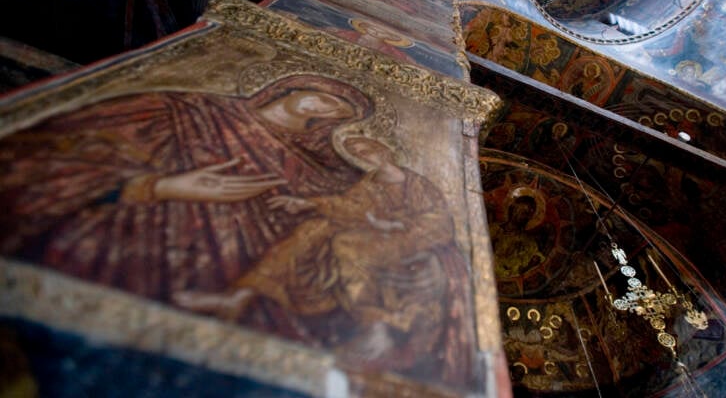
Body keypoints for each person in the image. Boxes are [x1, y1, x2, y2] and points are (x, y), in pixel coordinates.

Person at [0, 74, 372, 302]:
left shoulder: (314, 167)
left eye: (336, 114)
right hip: (124, 243)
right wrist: (158, 186)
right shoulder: (186, 109)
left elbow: (340, 211)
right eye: (326, 96)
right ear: (293, 84)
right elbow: (70, 150)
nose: (324, 108)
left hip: (217, 273)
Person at [172, 135, 474, 383]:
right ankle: (240, 294)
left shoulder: (417, 184)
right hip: (378, 236)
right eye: (357, 152)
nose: (364, 154)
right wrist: (303, 204)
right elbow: (347, 207)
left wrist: (396, 226)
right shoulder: (370, 182)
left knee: (347, 244)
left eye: (366, 148)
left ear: (384, 149)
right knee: (311, 231)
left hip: (412, 241)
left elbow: (439, 222)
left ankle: (375, 324)